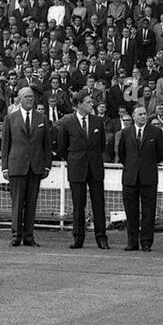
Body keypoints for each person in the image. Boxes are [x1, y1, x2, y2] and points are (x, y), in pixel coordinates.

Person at [1, 85, 54, 248]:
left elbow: (47, 145)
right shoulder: (10, 118)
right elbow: (5, 144)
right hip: (16, 165)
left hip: (36, 166)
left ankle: (29, 236)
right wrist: (4, 167)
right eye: (27, 97)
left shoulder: (42, 119)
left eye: (32, 97)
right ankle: (16, 235)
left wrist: (47, 166)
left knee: (32, 202)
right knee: (17, 203)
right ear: (19, 99)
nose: (30, 99)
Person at [56, 91, 108, 249]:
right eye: (88, 102)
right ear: (78, 104)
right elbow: (62, 147)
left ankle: (101, 238)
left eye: (91, 102)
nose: (91, 105)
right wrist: (74, 159)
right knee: (78, 204)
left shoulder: (98, 122)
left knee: (99, 204)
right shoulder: (67, 121)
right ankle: (78, 237)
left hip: (95, 167)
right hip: (77, 167)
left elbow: (102, 145)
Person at [117, 104, 163, 251]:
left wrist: (147, 165)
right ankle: (132, 242)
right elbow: (122, 155)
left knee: (148, 211)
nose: (143, 116)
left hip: (148, 177)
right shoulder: (125, 133)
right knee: (131, 211)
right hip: (130, 177)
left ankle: (146, 242)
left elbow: (161, 154)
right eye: (140, 114)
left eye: (145, 114)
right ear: (133, 116)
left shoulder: (155, 132)